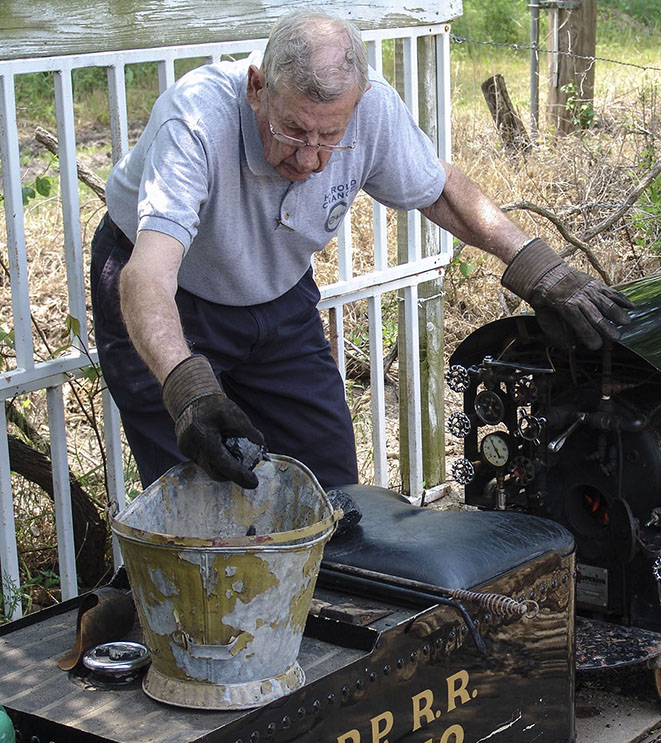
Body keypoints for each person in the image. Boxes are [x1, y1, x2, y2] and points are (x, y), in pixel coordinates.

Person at [91, 9, 631, 492]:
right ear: (257, 86)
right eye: (294, 130)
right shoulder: (195, 118)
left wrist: (541, 269)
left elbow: (439, 188)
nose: (310, 160)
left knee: (331, 487)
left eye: (331, 137)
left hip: (275, 293)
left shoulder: (372, 112)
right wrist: (187, 389)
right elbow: (148, 275)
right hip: (169, 300)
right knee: (195, 498)